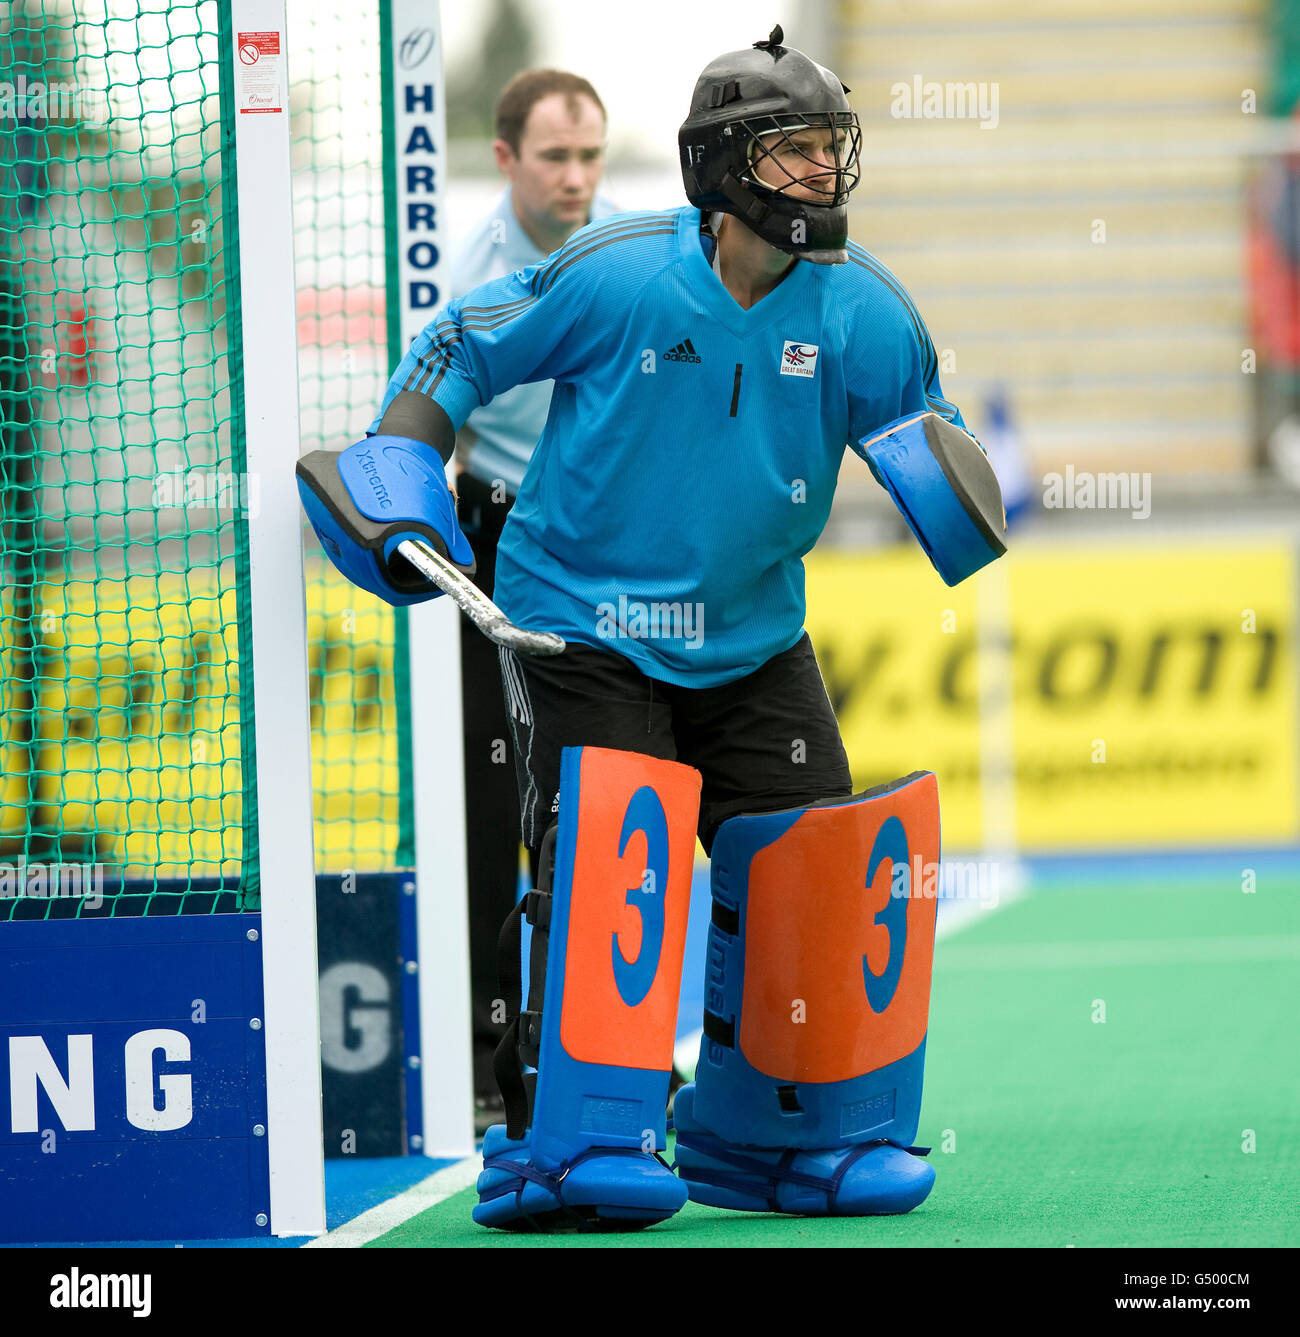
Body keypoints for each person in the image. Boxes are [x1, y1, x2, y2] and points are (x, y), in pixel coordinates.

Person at [299, 25, 1004, 1233]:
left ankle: (778, 1141)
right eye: (794, 152)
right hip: (583, 621)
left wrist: (953, 473)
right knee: (605, 869)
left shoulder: (864, 311)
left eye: (832, 149)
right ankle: (563, 1142)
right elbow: (460, 345)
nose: (824, 175)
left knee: (810, 876)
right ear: (722, 169)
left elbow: (920, 426)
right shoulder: (617, 272)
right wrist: (404, 466)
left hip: (753, 635)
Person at [445, 68, 618, 1133]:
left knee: (603, 799)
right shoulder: (475, 278)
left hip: (603, 542)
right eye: (555, 156)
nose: (576, 177)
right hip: (501, 538)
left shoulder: (623, 247)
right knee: (496, 803)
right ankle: (486, 1052)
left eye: (591, 155)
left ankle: (602, 1044)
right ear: (506, 157)